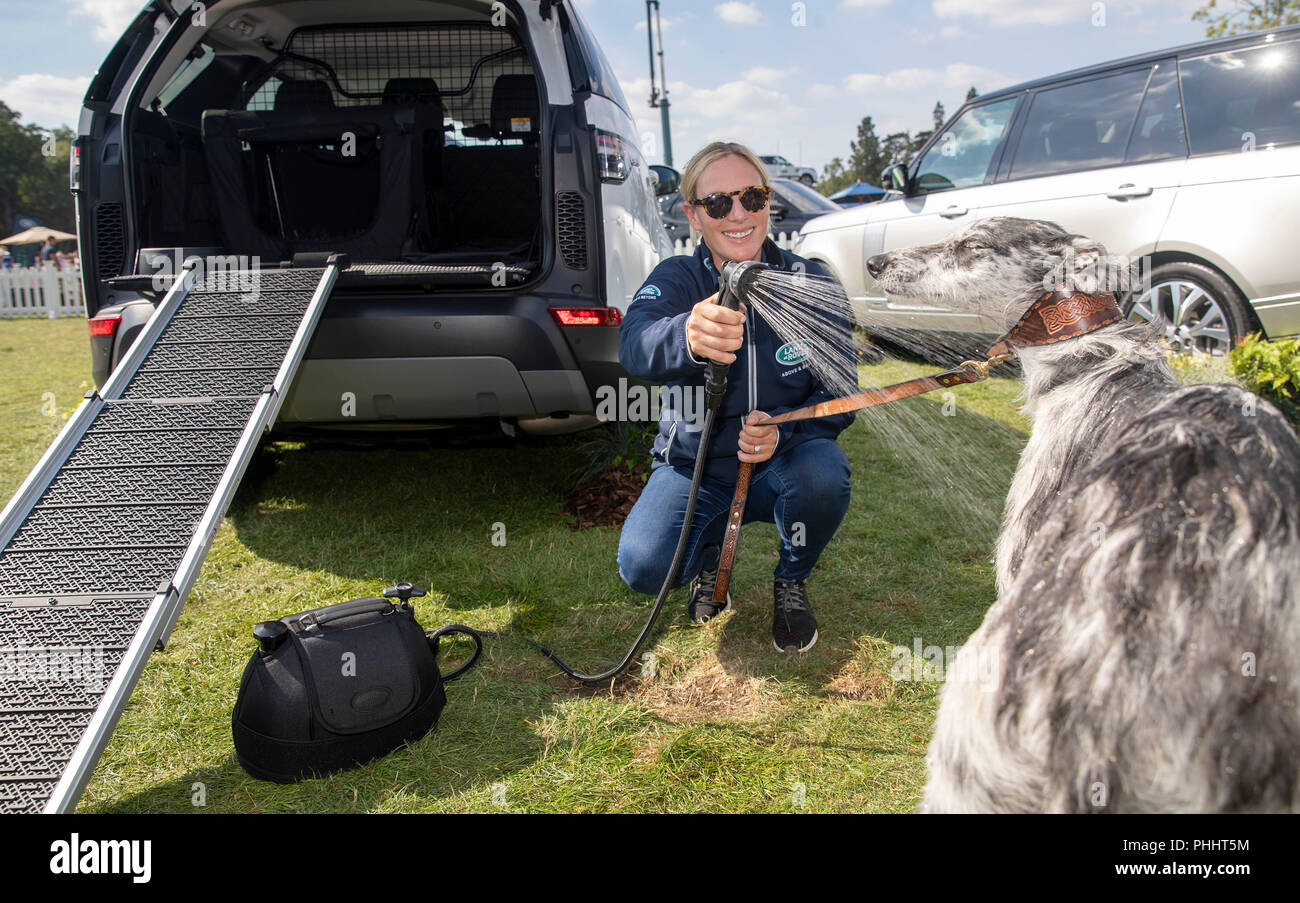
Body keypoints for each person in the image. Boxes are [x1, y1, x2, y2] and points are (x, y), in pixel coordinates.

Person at [616, 141, 855, 653]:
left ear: (769, 201)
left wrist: (783, 430)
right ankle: (706, 563)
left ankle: (791, 578)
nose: (739, 214)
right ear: (694, 216)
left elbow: (841, 389)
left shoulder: (811, 281)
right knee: (643, 567)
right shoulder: (679, 279)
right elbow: (634, 344)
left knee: (823, 475)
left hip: (781, 463)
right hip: (695, 470)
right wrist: (686, 334)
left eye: (752, 196)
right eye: (718, 203)